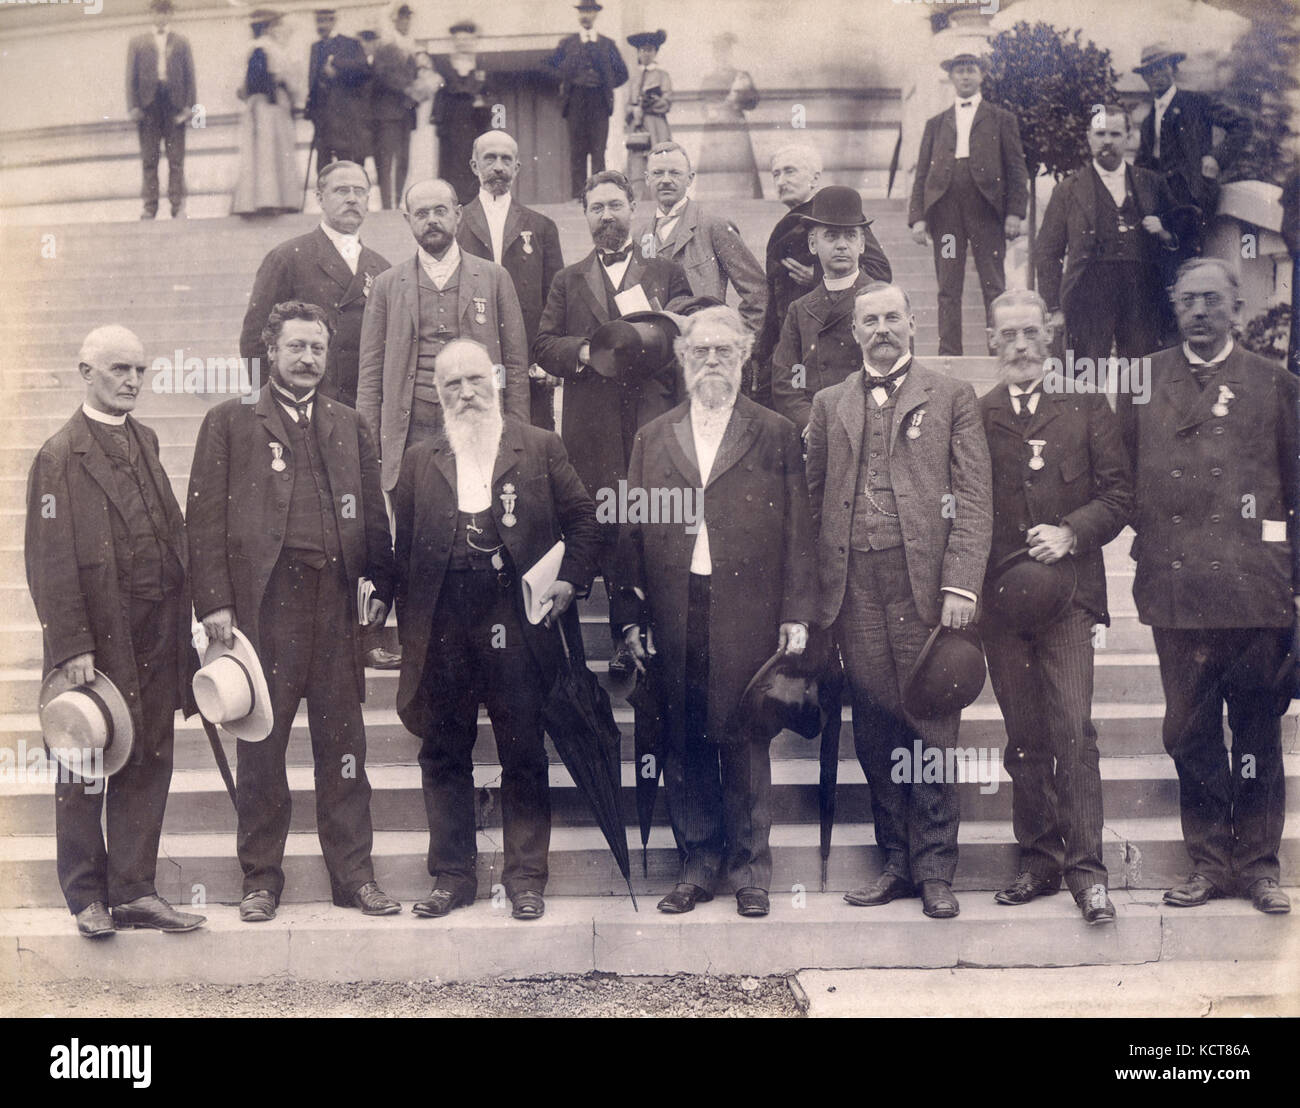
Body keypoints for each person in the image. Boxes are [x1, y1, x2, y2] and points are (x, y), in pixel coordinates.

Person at [188, 301, 402, 924]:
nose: (307, 359)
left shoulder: (349, 423)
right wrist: (216, 604)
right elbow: (201, 522)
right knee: (262, 747)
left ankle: (355, 876)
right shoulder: (229, 422)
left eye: (317, 348)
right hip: (264, 611)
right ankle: (261, 878)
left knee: (345, 748)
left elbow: (372, 513)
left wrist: (380, 590)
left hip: (336, 609)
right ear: (270, 351)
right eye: (295, 348)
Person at [614, 307, 816, 918]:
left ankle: (750, 870)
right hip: (677, 605)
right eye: (700, 352)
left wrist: (796, 611)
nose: (711, 363)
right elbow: (631, 529)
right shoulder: (654, 435)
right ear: (682, 358)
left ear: (745, 357)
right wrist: (631, 615)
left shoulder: (775, 432)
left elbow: (800, 530)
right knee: (682, 735)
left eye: (724, 353)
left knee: (747, 734)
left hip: (749, 608)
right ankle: (697, 865)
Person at [393, 339, 600, 921]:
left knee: (523, 749)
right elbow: (406, 548)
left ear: (498, 381)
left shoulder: (538, 447)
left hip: (516, 614)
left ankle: (526, 877)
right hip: (444, 622)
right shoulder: (419, 459)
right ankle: (452, 876)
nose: (465, 393)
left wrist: (569, 582)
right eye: (452, 384)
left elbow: (585, 521)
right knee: (443, 750)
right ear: (438, 396)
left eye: (475, 381)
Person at [806, 281, 992, 920]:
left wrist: (960, 583)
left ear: (913, 324)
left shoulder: (951, 395)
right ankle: (895, 860)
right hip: (854, 586)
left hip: (925, 589)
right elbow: (811, 500)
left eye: (892, 317)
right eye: (869, 320)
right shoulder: (829, 404)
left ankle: (936, 867)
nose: (881, 329)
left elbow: (972, 497)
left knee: (931, 721)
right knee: (876, 724)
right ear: (854, 332)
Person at [1118, 258, 1297, 917]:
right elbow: (1124, 478)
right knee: (1189, 734)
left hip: (1254, 592)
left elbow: (1293, 492)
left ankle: (1257, 867)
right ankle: (1207, 863)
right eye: (1188, 299)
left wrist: (1289, 577)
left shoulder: (1273, 383)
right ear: (1174, 305)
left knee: (1255, 735)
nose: (1199, 310)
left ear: (1235, 307)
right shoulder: (1144, 380)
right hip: (1179, 589)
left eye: (1211, 300)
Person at [26, 325, 205, 938]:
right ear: (86, 372)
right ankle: (86, 897)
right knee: (82, 758)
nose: (131, 382)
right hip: (97, 639)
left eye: (139, 371)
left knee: (151, 752)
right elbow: (48, 559)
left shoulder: (147, 439)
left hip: (157, 628)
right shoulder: (59, 454)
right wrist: (72, 643)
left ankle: (134, 888)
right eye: (118, 370)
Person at [978, 289, 1133, 925]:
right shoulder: (976, 412)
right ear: (990, 342)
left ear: (1050, 337)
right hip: (1003, 606)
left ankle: (1088, 872)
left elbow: (1121, 497)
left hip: (1070, 600)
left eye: (1031, 334)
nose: (1021, 347)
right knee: (1024, 736)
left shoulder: (1087, 407)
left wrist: (1071, 530)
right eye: (1008, 335)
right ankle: (1039, 859)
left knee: (1073, 728)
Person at [533, 169, 693, 662]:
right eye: (597, 207)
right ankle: (616, 632)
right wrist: (588, 351)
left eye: (615, 206)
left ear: (633, 209)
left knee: (646, 518)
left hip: (652, 416)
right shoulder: (567, 278)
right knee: (606, 514)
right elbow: (542, 344)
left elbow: (689, 334)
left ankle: (638, 631)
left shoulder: (665, 272)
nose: (607, 216)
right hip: (593, 422)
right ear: (585, 216)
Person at [357, 177, 530, 493]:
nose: (432, 220)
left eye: (440, 211)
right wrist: (368, 444)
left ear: (458, 214)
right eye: (421, 214)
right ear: (408, 221)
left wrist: (516, 433)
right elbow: (370, 374)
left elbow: (515, 366)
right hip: (412, 429)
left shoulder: (493, 278)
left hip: (478, 421)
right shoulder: (386, 285)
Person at [1036, 105, 1182, 369]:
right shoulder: (1067, 190)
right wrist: (1054, 307)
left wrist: (1163, 231)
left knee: (1141, 372)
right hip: (1088, 291)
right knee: (1085, 373)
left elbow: (1179, 236)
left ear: (1128, 138)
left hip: (1141, 292)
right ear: (1089, 137)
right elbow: (1047, 251)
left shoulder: (1152, 183)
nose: (1107, 142)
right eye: (1100, 134)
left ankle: (1134, 412)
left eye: (1115, 134)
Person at [241, 161, 389, 410]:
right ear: (320, 198)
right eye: (341, 191)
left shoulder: (382, 268)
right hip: (304, 402)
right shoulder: (288, 257)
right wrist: (269, 402)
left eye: (359, 191)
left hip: (361, 408)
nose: (352, 199)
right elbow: (254, 338)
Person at [908, 51, 1028, 356]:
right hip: (946, 212)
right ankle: (949, 353)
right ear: (951, 77)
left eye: (970, 70)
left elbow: (1016, 168)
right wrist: (918, 217)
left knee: (993, 282)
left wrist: (1015, 212)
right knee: (948, 284)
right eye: (959, 71)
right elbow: (922, 170)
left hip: (985, 210)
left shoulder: (1002, 119)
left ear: (981, 75)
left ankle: (999, 350)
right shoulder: (936, 124)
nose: (964, 76)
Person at [753, 144, 891, 406]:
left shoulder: (842, 216)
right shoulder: (787, 223)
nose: (782, 181)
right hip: (794, 335)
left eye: (790, 172)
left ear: (815, 177)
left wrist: (816, 275)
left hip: (834, 327)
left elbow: (880, 272)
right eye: (776, 174)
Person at [456, 130, 566, 431]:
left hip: (528, 359)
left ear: (517, 168)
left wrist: (550, 359)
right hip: (472, 354)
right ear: (474, 165)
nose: (498, 166)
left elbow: (555, 301)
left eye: (506, 159)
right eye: (489, 158)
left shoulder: (541, 227)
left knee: (531, 443)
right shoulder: (456, 224)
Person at [771, 186, 880, 436]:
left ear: (862, 244)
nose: (842, 245)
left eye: (850, 236)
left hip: (868, 431)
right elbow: (790, 378)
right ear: (813, 244)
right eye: (830, 236)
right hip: (816, 433)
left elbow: (894, 372)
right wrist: (811, 422)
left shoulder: (882, 301)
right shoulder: (800, 310)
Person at [631, 142, 766, 336]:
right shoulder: (639, 236)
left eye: (675, 173)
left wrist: (741, 345)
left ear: (690, 179)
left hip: (705, 347)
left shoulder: (713, 226)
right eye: (658, 173)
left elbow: (757, 291)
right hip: (656, 353)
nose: (666, 180)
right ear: (647, 179)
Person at [1132, 42, 1249, 254]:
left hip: (1192, 199)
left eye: (1160, 67)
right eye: (1148, 72)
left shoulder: (1195, 102)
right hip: (1160, 203)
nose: (1154, 75)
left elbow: (1241, 125)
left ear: (1173, 68)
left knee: (1187, 261)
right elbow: (1142, 163)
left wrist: (1216, 158)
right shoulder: (1149, 119)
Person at [547, 1, 629, 199]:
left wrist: (605, 84)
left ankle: (598, 195)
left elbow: (623, 73)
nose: (586, 16)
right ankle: (578, 195)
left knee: (598, 150)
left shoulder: (607, 44)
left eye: (590, 12)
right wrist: (566, 80)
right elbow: (549, 67)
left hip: (599, 102)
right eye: (582, 11)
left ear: (596, 15)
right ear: (578, 15)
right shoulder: (567, 44)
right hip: (575, 101)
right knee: (577, 150)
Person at [125, 0, 196, 220]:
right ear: (151, 14)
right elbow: (130, 77)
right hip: (149, 107)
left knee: (176, 159)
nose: (161, 16)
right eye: (157, 11)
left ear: (171, 14)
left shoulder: (181, 42)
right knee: (149, 158)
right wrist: (134, 106)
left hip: (174, 106)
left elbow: (190, 77)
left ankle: (177, 206)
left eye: (166, 12)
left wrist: (189, 106)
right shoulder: (138, 42)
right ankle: (149, 207)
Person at [232, 10, 303, 217]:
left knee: (259, 153)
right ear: (268, 28)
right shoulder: (273, 49)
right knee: (272, 151)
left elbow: (240, 89)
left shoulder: (250, 50)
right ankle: (276, 198)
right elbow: (289, 80)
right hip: (273, 105)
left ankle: (259, 199)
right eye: (275, 26)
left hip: (257, 105)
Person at [694, 33, 761, 199]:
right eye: (717, 51)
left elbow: (753, 102)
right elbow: (701, 104)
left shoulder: (741, 76)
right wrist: (709, 110)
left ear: (730, 53)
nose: (721, 55)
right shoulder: (708, 78)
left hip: (735, 130)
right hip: (714, 131)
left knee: (739, 172)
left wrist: (739, 100)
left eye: (724, 51)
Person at [432, 20, 492, 205]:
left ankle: (475, 204)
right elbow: (439, 96)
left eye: (467, 39)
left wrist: (496, 123)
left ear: (474, 41)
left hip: (476, 125)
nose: (463, 43)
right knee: (450, 166)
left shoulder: (483, 66)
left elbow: (494, 97)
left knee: (474, 165)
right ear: (453, 42)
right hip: (451, 126)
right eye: (459, 40)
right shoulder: (445, 67)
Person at [305, 7, 372, 167]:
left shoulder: (350, 44)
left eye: (324, 21)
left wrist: (337, 69)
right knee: (322, 167)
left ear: (333, 21)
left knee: (346, 163)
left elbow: (363, 70)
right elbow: (313, 80)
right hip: (322, 118)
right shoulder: (315, 47)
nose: (321, 26)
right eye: (318, 21)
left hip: (345, 117)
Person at [371, 3, 422, 209]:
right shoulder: (385, 45)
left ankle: (399, 200)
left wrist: (419, 90)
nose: (406, 22)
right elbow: (382, 75)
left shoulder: (412, 46)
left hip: (407, 112)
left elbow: (416, 76)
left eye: (408, 18)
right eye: (402, 18)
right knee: (386, 160)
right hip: (387, 112)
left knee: (404, 160)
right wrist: (407, 89)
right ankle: (386, 204)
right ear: (394, 20)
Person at [624, 30, 672, 191]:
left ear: (655, 52)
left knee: (658, 161)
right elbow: (627, 105)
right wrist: (633, 109)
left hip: (656, 125)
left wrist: (650, 102)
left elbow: (666, 102)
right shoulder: (635, 78)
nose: (646, 53)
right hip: (638, 126)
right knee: (637, 164)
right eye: (642, 50)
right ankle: (638, 198)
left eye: (650, 50)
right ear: (638, 52)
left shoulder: (662, 75)